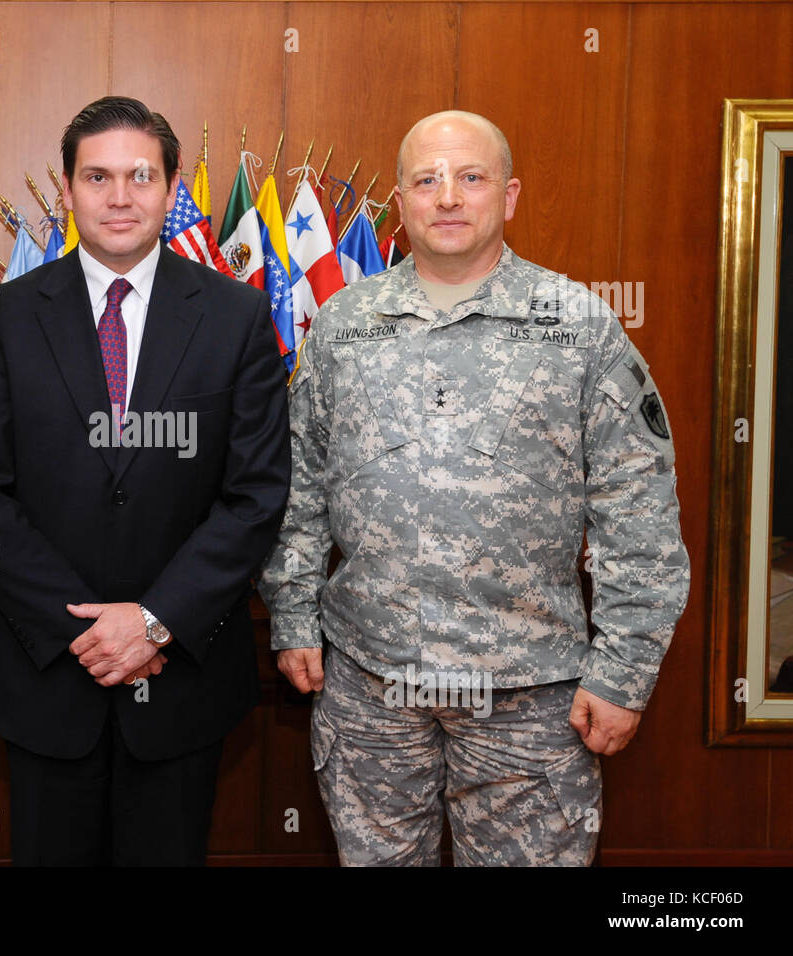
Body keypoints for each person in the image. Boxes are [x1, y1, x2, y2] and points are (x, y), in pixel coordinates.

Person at [259, 110, 690, 866]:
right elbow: (300, 485)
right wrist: (292, 613)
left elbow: (638, 515)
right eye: (427, 180)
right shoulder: (343, 325)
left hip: (528, 698)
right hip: (370, 686)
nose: (448, 197)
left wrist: (624, 670)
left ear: (510, 196)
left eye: (471, 177)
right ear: (402, 201)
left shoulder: (578, 326)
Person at [0, 96, 290, 866]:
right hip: (46, 676)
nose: (120, 196)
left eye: (141, 176)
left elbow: (256, 494)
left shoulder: (237, 316)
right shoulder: (2, 315)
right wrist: (84, 630)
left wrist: (156, 620)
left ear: (172, 190)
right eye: (96, 176)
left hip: (182, 678)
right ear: (67, 190)